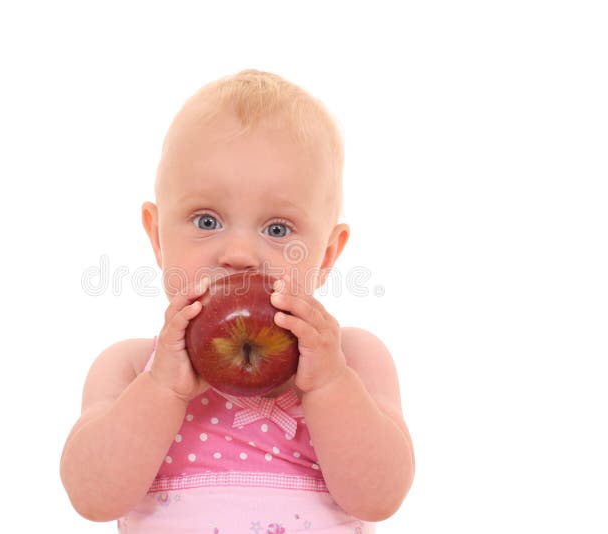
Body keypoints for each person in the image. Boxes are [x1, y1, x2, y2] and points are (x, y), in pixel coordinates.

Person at [60, 69, 415, 532]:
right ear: (158, 237)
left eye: (278, 229)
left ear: (326, 255)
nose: (240, 255)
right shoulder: (129, 369)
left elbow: (379, 498)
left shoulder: (355, 361)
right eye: (207, 221)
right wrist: (161, 390)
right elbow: (92, 498)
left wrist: (330, 384)